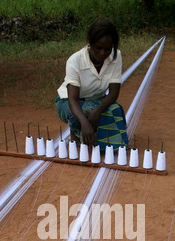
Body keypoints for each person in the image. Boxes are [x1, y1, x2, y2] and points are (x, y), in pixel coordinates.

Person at [55, 19, 129, 151]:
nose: (103, 53)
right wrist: (84, 122)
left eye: (107, 49)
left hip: (96, 101)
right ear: (90, 43)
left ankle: (104, 143)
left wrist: (98, 111)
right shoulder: (75, 61)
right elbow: (72, 99)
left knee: (115, 110)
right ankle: (77, 132)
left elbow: (113, 92)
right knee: (84, 114)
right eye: (98, 48)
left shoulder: (116, 56)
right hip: (68, 102)